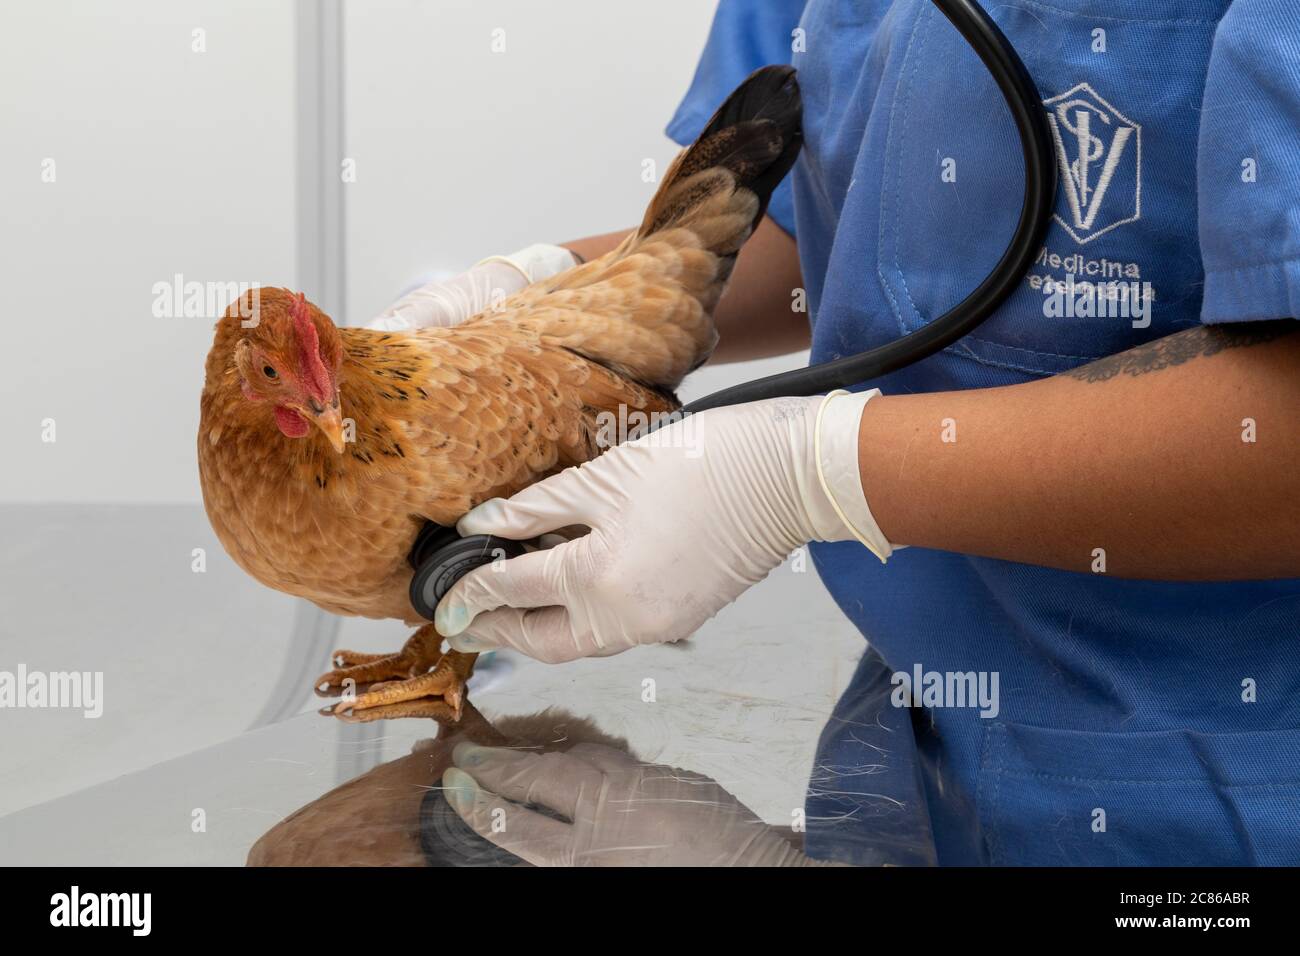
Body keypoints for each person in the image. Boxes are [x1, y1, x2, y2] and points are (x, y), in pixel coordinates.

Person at [377, 0, 1300, 866]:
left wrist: (802, 475)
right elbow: (840, 225)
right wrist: (536, 305)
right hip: (912, 736)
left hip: (1221, 801)